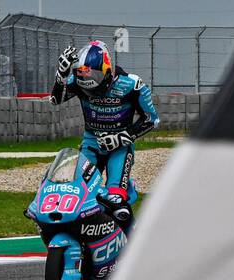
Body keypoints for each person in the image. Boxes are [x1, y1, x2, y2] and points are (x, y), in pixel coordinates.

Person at [50, 40, 159, 223]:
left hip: (120, 147)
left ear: (108, 71)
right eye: (84, 85)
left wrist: (123, 136)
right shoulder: (78, 80)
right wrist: (61, 75)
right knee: (77, 192)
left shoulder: (132, 84)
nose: (91, 91)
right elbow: (55, 99)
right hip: (91, 144)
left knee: (116, 197)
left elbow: (152, 119)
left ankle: (128, 238)